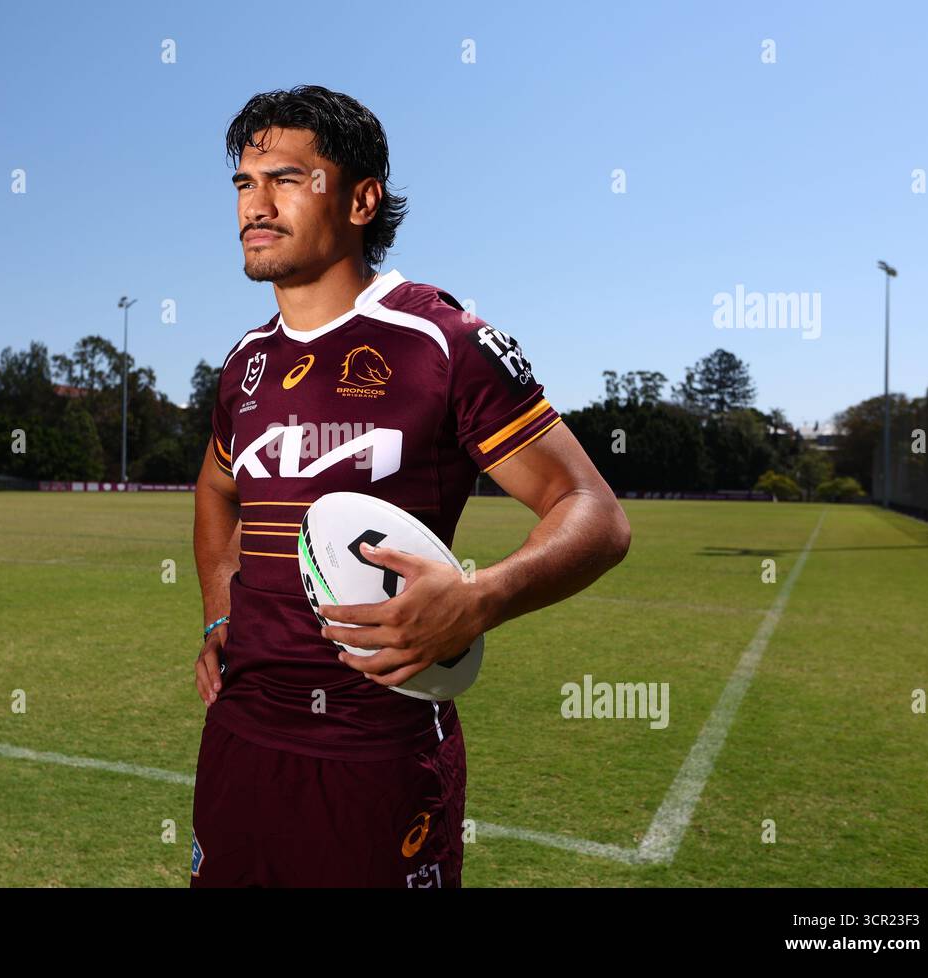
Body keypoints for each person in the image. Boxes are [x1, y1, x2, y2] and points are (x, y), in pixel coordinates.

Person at [191, 84, 630, 887]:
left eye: (287, 180)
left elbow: (594, 512)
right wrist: (220, 610)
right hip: (239, 742)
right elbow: (217, 488)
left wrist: (481, 597)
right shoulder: (245, 362)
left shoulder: (440, 339)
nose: (256, 204)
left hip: (377, 756)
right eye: (245, 184)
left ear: (362, 200)